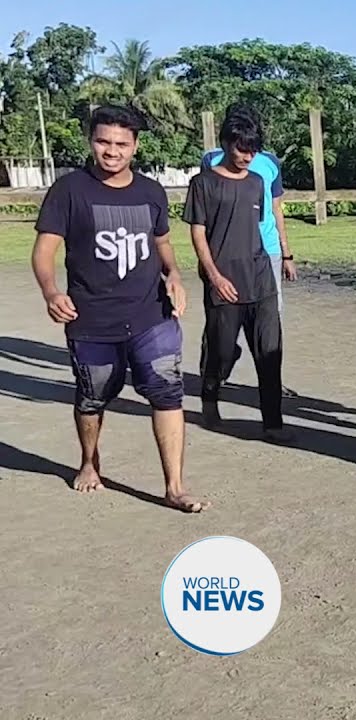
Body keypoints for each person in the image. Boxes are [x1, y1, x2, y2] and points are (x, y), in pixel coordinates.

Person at [31, 104, 208, 513]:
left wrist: (175, 275)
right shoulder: (69, 190)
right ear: (91, 141)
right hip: (91, 318)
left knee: (167, 393)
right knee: (93, 397)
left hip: (152, 313)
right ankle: (90, 462)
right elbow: (44, 252)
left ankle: (174, 486)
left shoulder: (151, 192)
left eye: (121, 144)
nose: (112, 151)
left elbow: (162, 242)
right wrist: (51, 292)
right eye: (103, 142)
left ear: (136, 145)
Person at [186, 112, 290, 442]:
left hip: (260, 278)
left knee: (270, 352)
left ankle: (273, 423)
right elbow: (198, 233)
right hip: (224, 281)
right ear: (227, 144)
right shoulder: (203, 183)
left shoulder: (256, 183)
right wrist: (214, 276)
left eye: (253, 150)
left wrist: (283, 255)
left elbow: (261, 226)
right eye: (242, 149)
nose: (247, 157)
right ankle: (209, 399)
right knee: (220, 349)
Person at [198, 104, 299, 397]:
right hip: (226, 252)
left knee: (270, 323)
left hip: (266, 250)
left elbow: (277, 208)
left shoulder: (268, 163)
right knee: (221, 321)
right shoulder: (211, 161)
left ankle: (271, 381)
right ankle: (215, 371)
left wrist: (286, 252)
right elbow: (204, 215)